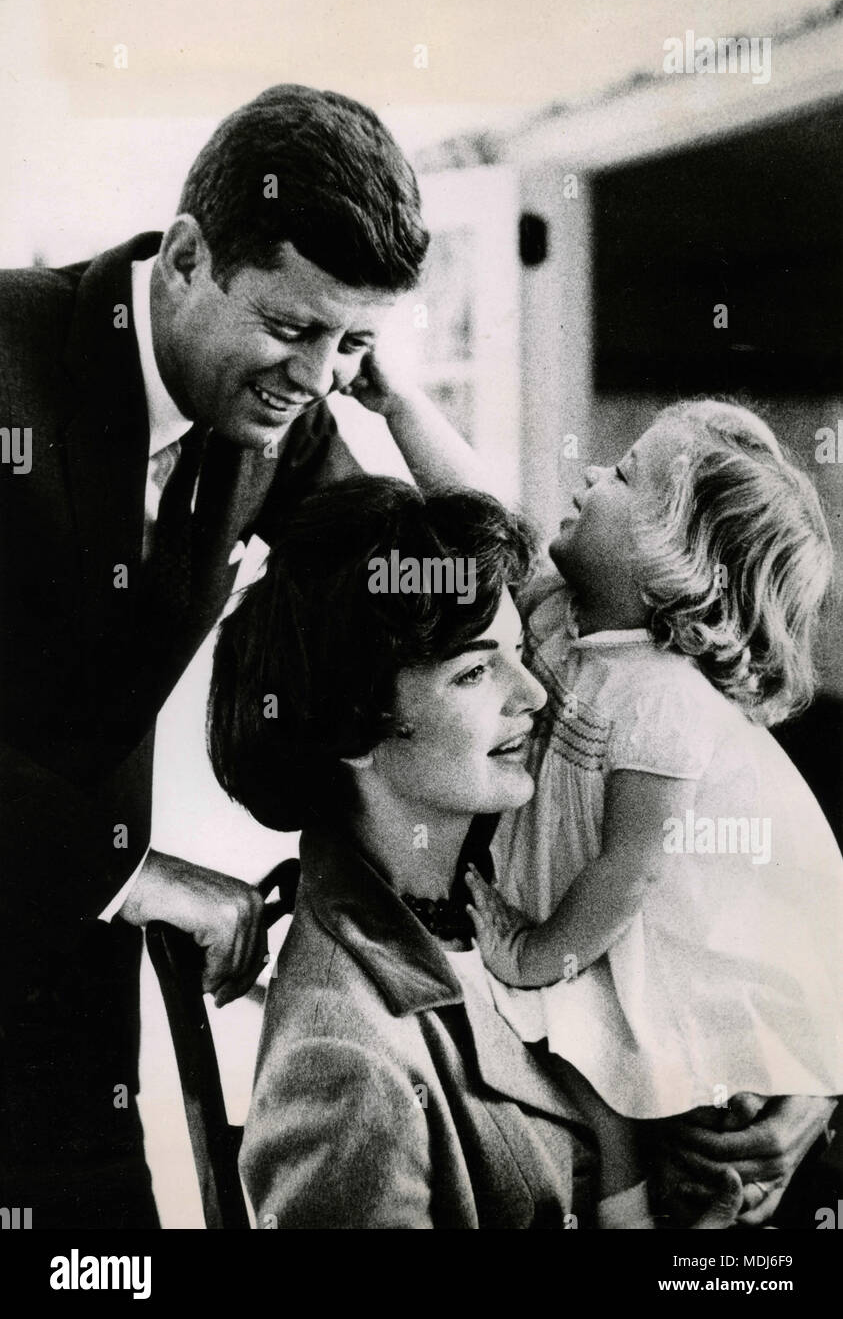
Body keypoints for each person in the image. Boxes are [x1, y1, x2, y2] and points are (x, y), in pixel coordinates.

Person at [0, 84, 490, 1228]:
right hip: (103, 892)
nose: (318, 376)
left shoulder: (282, 411)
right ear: (184, 257)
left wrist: (401, 400)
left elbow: (444, 586)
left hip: (68, 996)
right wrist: (141, 875)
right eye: (292, 326)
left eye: (351, 340)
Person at [207, 474, 814, 1229]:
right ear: (353, 724)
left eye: (520, 651)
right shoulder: (343, 1055)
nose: (532, 694)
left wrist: (809, 1092)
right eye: (473, 672)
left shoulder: (531, 865)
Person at [466, 398, 843, 1226]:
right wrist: (398, 407)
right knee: (596, 1063)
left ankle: (680, 1221)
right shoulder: (564, 614)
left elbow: (627, 869)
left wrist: (534, 954)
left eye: (624, 474)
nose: (592, 472)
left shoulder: (664, 700)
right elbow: (468, 505)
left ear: (669, 566)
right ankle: (656, 1211)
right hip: (612, 930)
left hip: (692, 945)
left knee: (687, 1098)